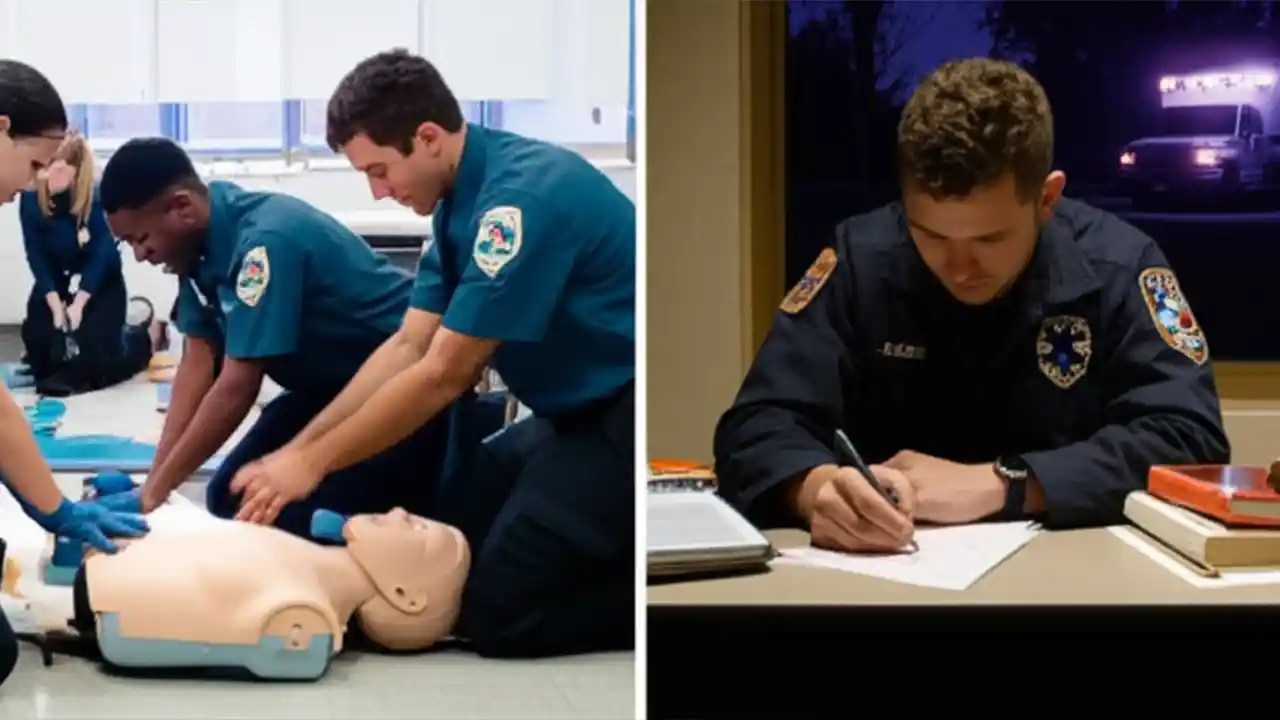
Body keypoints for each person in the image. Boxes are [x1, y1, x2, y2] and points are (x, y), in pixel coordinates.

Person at [714, 57, 1230, 553]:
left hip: (1074, 576)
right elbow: (756, 425)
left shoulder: (1120, 264)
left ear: (1046, 200)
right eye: (931, 236)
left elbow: (1189, 441)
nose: (960, 268)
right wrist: (815, 489)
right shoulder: (860, 259)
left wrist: (1006, 484)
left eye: (989, 239)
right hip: (882, 572)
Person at [230, 49, 635, 659]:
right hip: (567, 415)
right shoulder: (456, 208)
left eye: (380, 170)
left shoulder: (519, 202)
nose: (378, 191)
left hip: (623, 411)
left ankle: (636, 581)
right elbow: (408, 345)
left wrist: (313, 463)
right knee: (452, 525)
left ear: (427, 138)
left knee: (500, 613)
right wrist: (298, 450)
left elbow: (445, 373)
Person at [95, 138, 451, 537]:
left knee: (279, 513)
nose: (140, 255)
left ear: (183, 207)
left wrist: (154, 494)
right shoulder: (195, 247)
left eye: (141, 239)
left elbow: (237, 386)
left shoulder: (263, 244)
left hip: (399, 391)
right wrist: (154, 484)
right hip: (325, 390)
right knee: (230, 497)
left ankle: (377, 539)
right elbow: (197, 364)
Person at [0, 58, 148, 690]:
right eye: (34, 162)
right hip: (57, 287)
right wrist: (56, 510)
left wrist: (52, 509)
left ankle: (138, 340)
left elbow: (102, 260)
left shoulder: (92, 194)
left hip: (97, 291)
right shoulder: (32, 206)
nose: (34, 181)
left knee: (94, 356)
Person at [69, 505, 468, 680]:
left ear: (405, 595)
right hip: (109, 573)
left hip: (110, 596)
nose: (399, 512)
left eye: (418, 529)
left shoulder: (305, 613)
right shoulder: (301, 561)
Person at [19, 133, 166, 396]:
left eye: (57, 169)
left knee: (97, 364)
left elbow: (102, 254)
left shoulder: (96, 196)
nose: (47, 176)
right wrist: (55, 305)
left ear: (75, 171)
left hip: (99, 281)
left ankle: (146, 336)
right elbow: (35, 253)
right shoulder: (32, 196)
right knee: (41, 357)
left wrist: (79, 304)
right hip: (57, 278)